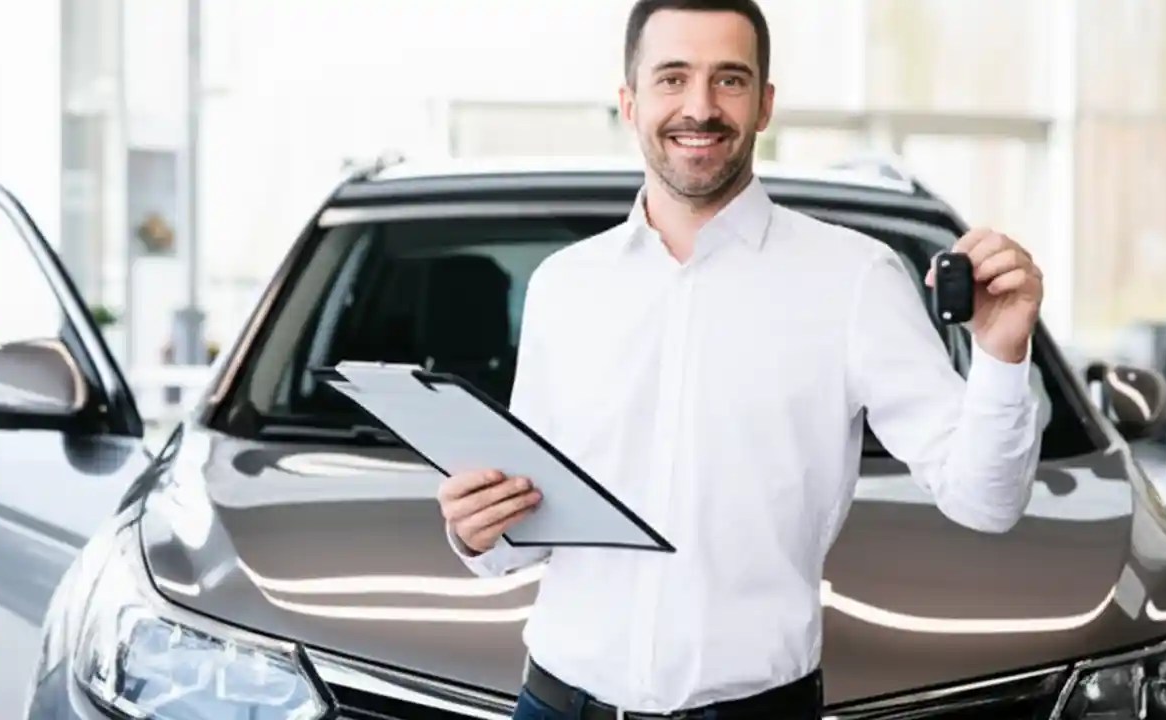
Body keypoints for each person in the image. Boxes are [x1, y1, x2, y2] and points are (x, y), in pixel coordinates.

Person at [436, 1, 1044, 717]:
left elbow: (986, 501)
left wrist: (1002, 353)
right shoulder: (565, 286)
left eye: (729, 79)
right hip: (557, 702)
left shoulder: (853, 278)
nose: (700, 106)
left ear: (764, 104)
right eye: (672, 78)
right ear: (629, 102)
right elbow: (528, 524)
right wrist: (477, 532)